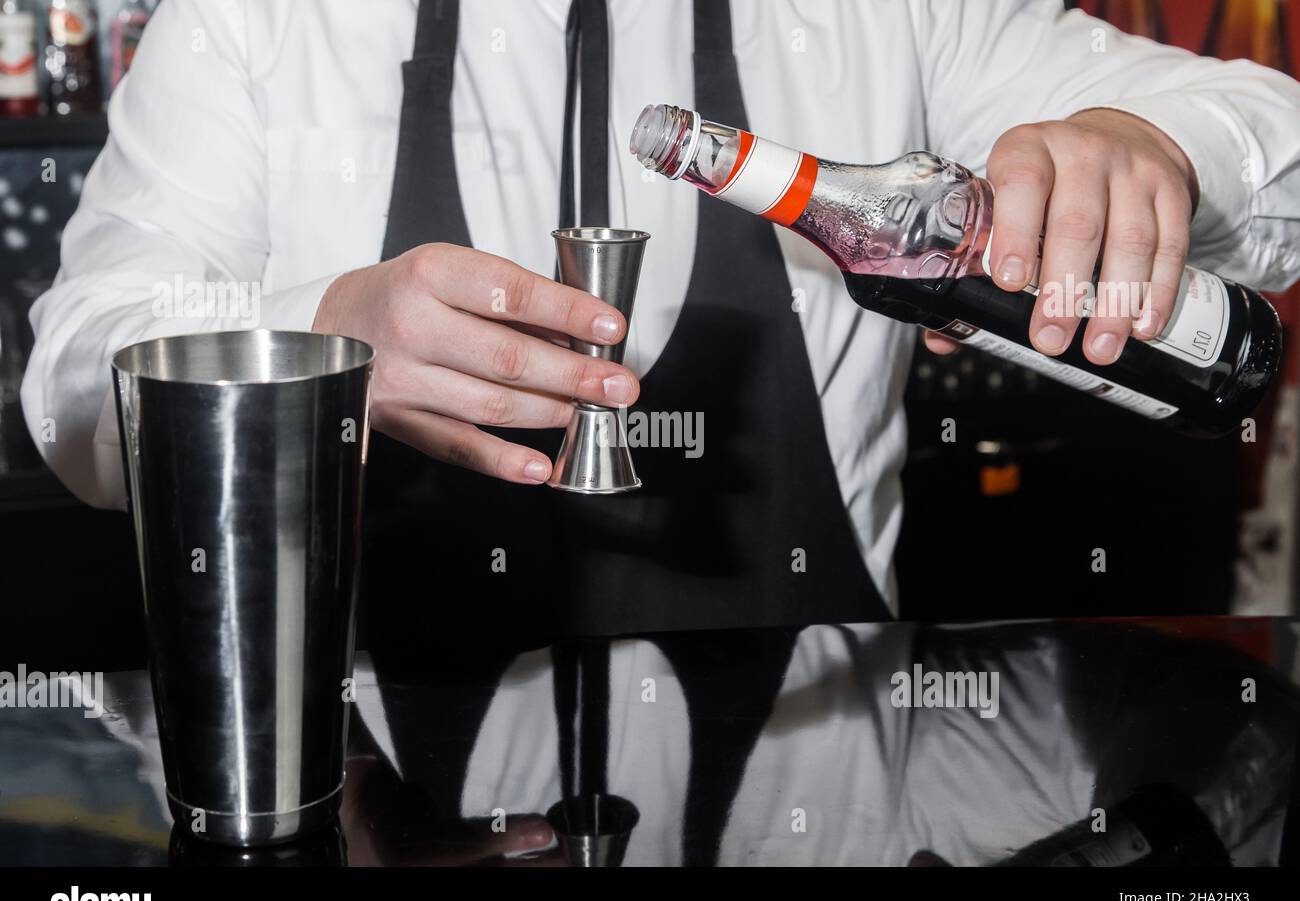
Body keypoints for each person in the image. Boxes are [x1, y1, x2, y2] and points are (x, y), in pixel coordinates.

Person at [21, 0, 1300, 635]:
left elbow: (1277, 153)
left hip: (828, 773)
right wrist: (317, 340)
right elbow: (82, 391)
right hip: (355, 782)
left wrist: (1141, 141)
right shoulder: (259, 17)